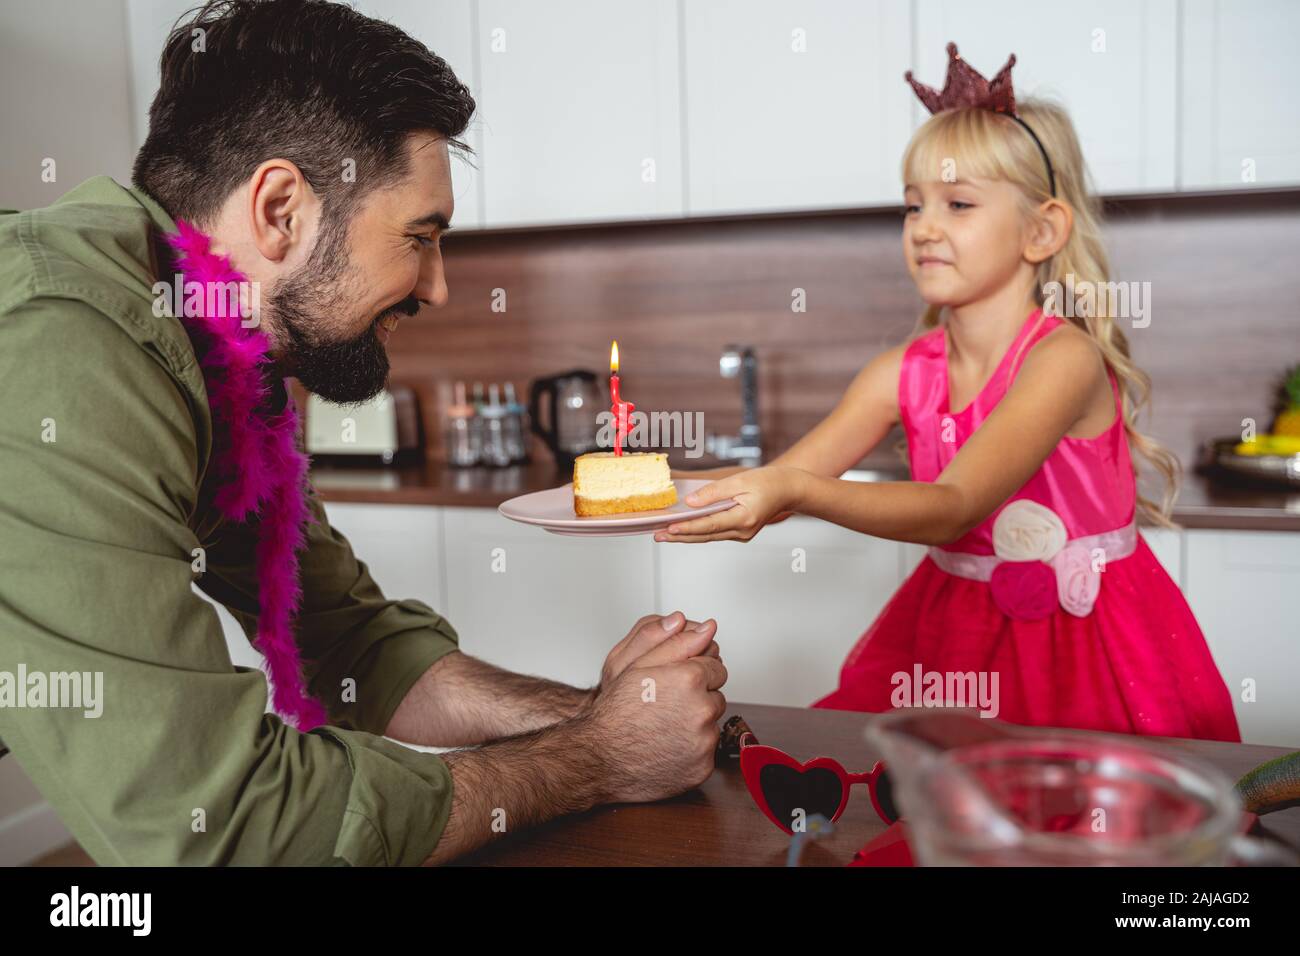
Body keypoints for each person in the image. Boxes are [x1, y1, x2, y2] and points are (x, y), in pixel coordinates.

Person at [0, 0, 726, 866]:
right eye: (420, 237)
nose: (440, 287)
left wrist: (598, 713)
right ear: (280, 210)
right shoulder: (65, 342)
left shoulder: (217, 349)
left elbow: (350, 643)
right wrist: (599, 759)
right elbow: (218, 824)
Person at [661, 44, 1240, 743]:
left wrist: (794, 491)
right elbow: (784, 477)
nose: (924, 228)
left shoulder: (1065, 359)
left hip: (1086, 652)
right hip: (954, 635)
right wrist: (642, 492)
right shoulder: (899, 372)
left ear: (1041, 230)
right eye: (913, 207)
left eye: (957, 204)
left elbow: (952, 508)